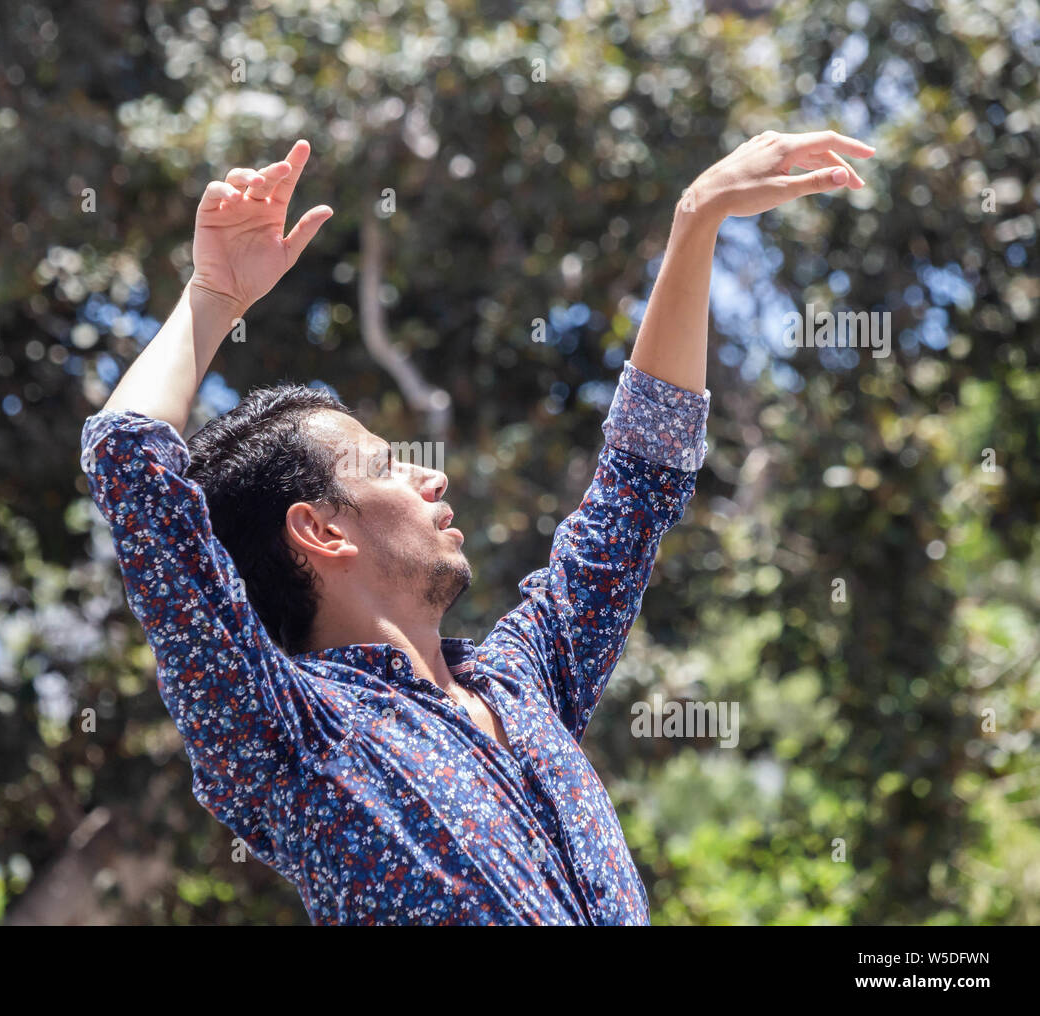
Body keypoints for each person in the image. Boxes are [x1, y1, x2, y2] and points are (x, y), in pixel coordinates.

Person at [80, 131, 873, 924]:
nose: (434, 475)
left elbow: (640, 482)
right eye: (387, 466)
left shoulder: (523, 683)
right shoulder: (290, 736)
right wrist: (212, 298)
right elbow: (131, 464)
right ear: (320, 532)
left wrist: (696, 219)